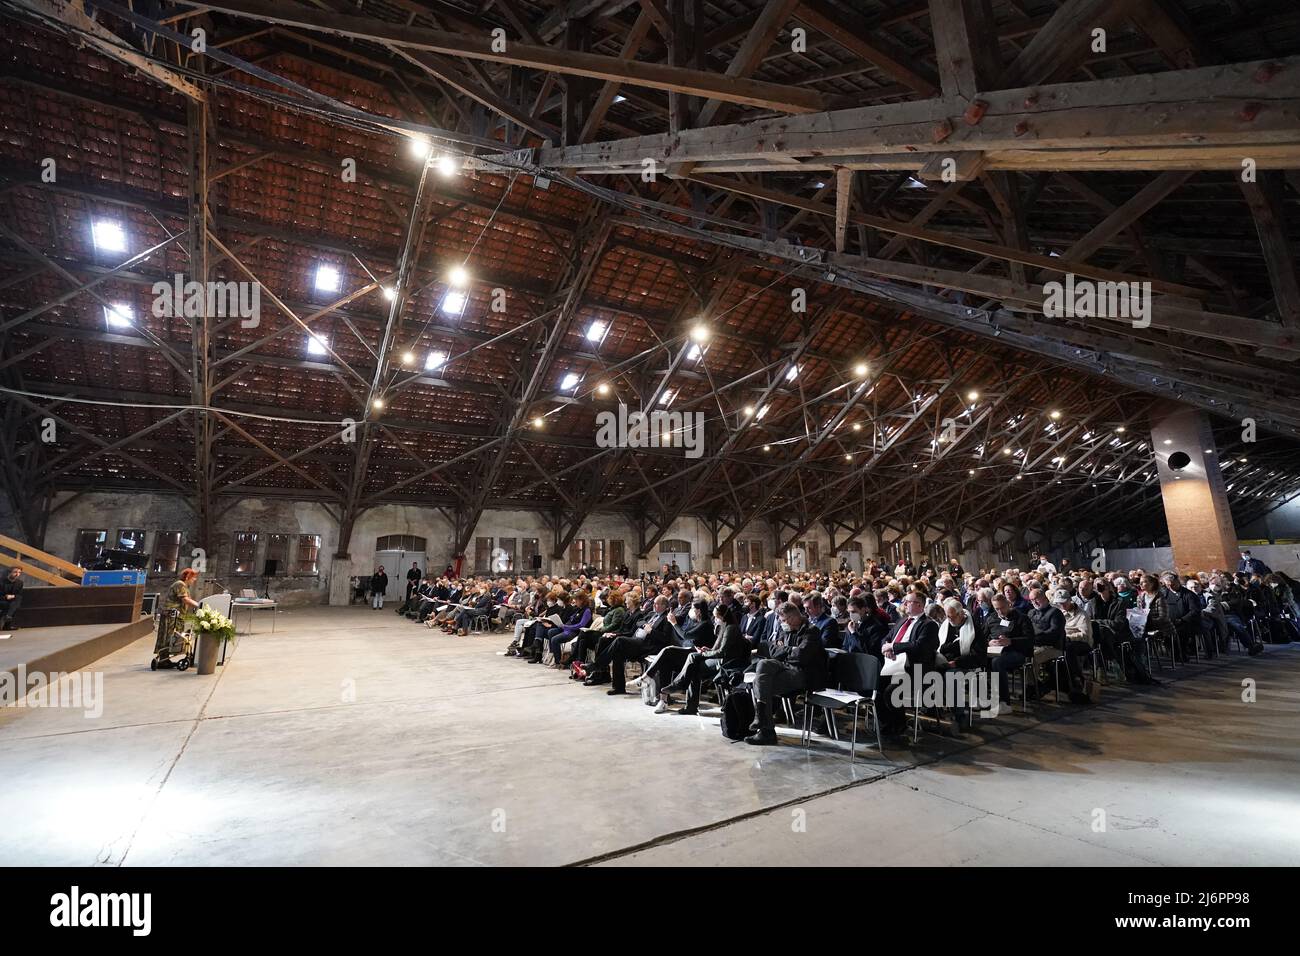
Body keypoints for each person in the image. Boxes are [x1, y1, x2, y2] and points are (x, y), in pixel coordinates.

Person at [746, 601, 828, 746]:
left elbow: (802, 656)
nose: (781, 623)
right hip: (786, 667)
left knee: (761, 684)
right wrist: (791, 650)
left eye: (783, 620)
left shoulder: (811, 631)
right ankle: (762, 721)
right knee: (763, 664)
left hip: (804, 674)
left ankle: (766, 729)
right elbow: (773, 651)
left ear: (793, 617)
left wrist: (785, 649)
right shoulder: (787, 629)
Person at [0, 566, 24, 630]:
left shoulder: (20, 583)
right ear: (9, 572)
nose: (17, 574)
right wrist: (6, 596)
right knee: (13, 605)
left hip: (12, 600)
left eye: (19, 572)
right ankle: (7, 621)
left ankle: (8, 616)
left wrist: (13, 596)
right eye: (15, 572)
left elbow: (19, 594)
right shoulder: (1, 581)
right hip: (2, 599)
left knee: (17, 599)